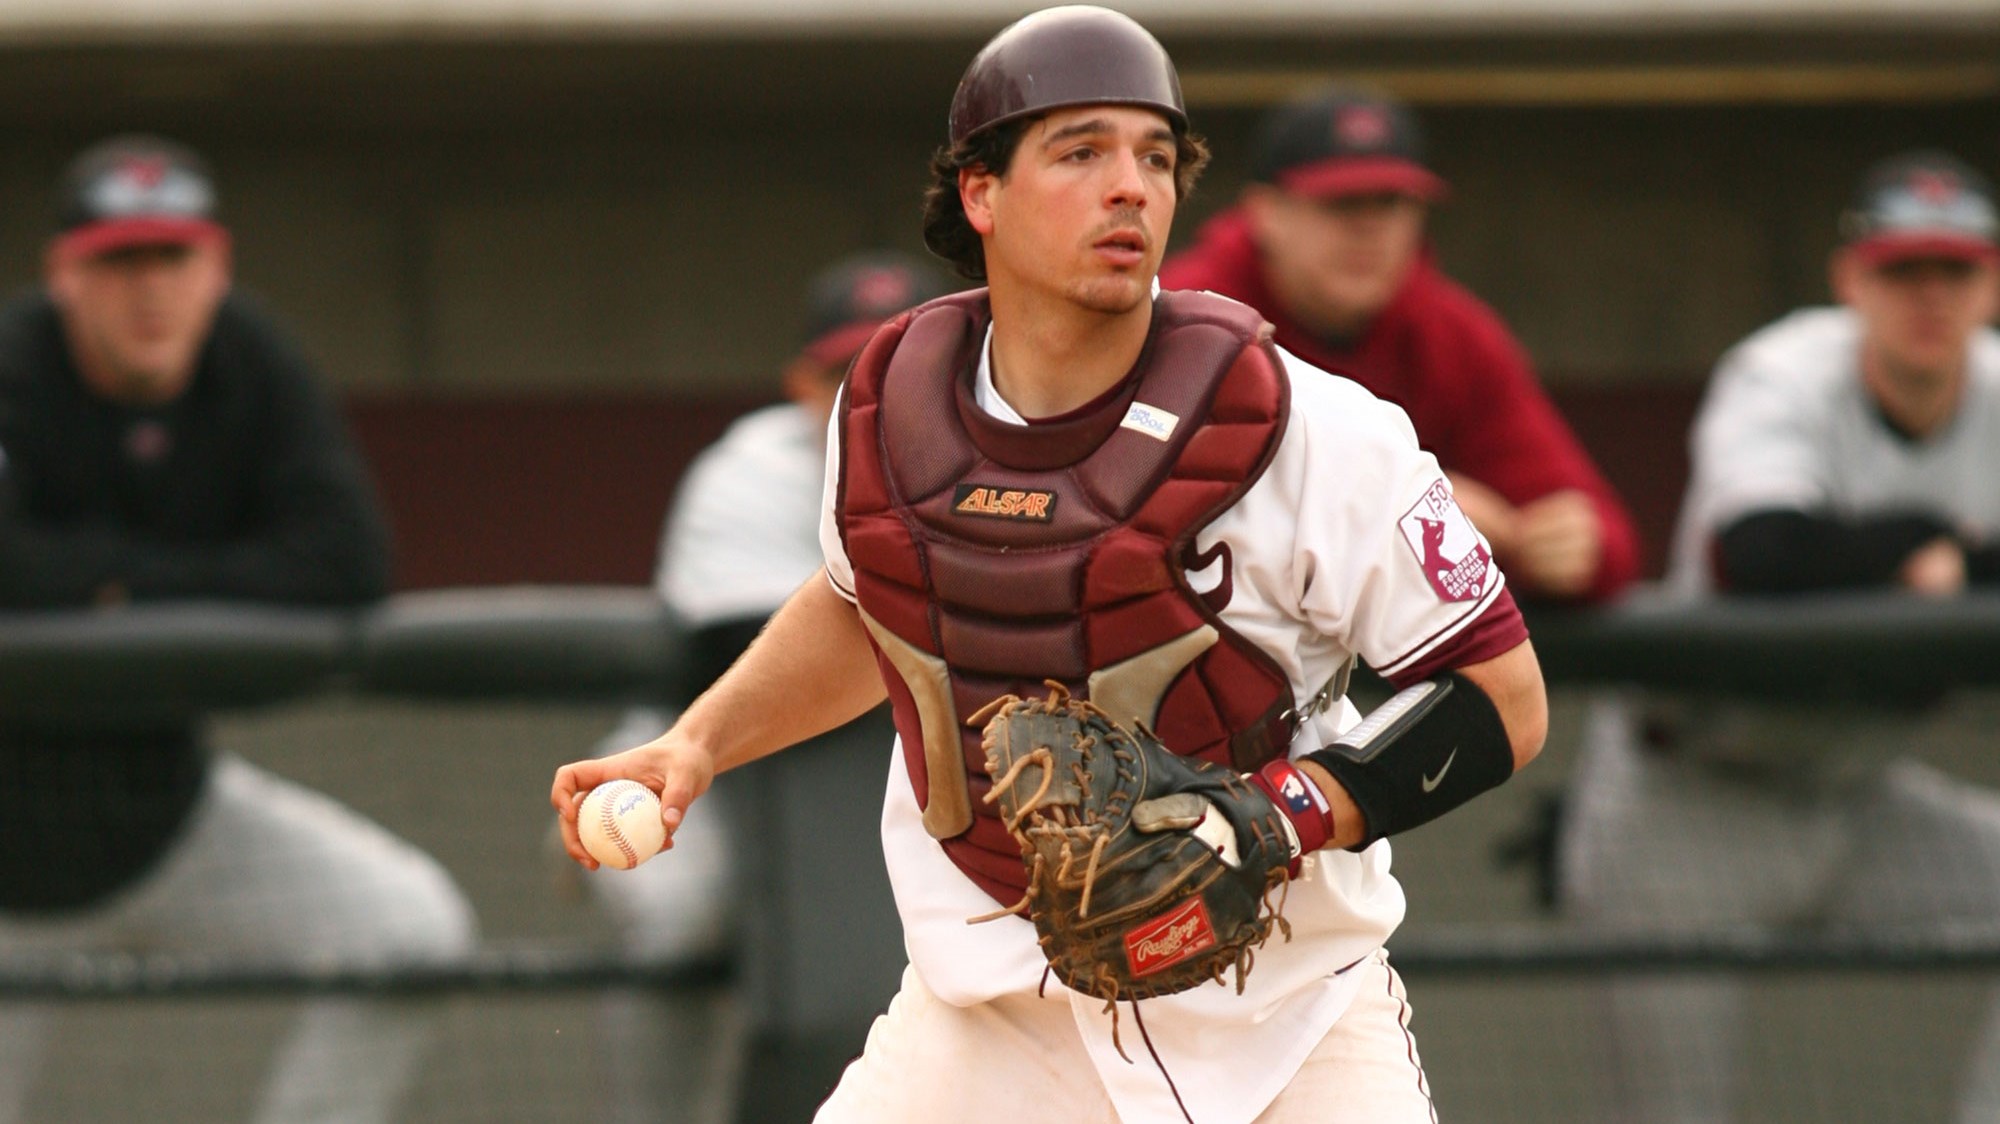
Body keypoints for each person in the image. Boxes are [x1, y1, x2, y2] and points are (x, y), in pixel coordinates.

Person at [553, 7, 1548, 1123]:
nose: (1129, 186)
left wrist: (1278, 812)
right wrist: (698, 742)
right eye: (1080, 151)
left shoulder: (1313, 428)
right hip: (984, 1021)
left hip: (1282, 1024)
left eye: (1155, 157)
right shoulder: (892, 409)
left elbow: (1502, 700)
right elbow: (864, 603)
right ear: (980, 192)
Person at [0, 135, 476, 1123]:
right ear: (63, 278)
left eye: (171, 259)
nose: (150, 290)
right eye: (117, 261)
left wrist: (113, 589)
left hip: (164, 816)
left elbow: (345, 560)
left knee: (409, 928)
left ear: (214, 266)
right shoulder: (15, 366)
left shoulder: (248, 360)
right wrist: (192, 597)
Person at [1556, 150, 2000, 1122]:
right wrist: (1936, 551)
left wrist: (1931, 566)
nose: (1927, 296)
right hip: (1683, 802)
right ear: (1852, 280)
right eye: (1900, 271)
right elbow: (1761, 551)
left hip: (1854, 797)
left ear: (1989, 281)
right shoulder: (1784, 368)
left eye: (1952, 271)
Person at [575, 251, 951, 1124]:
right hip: (705, 758)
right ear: (799, 383)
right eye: (844, 368)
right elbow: (784, 672)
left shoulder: (1003, 461)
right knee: (679, 918)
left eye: (898, 360)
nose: (871, 386)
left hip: (907, 760)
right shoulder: (750, 470)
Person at [1159, 85, 1638, 604]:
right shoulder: (1189, 316)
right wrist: (1401, 505)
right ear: (1266, 213)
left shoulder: (1450, 332)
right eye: (1341, 203)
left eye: (1389, 204)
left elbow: (1603, 536)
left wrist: (1572, 546)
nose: (1369, 230)